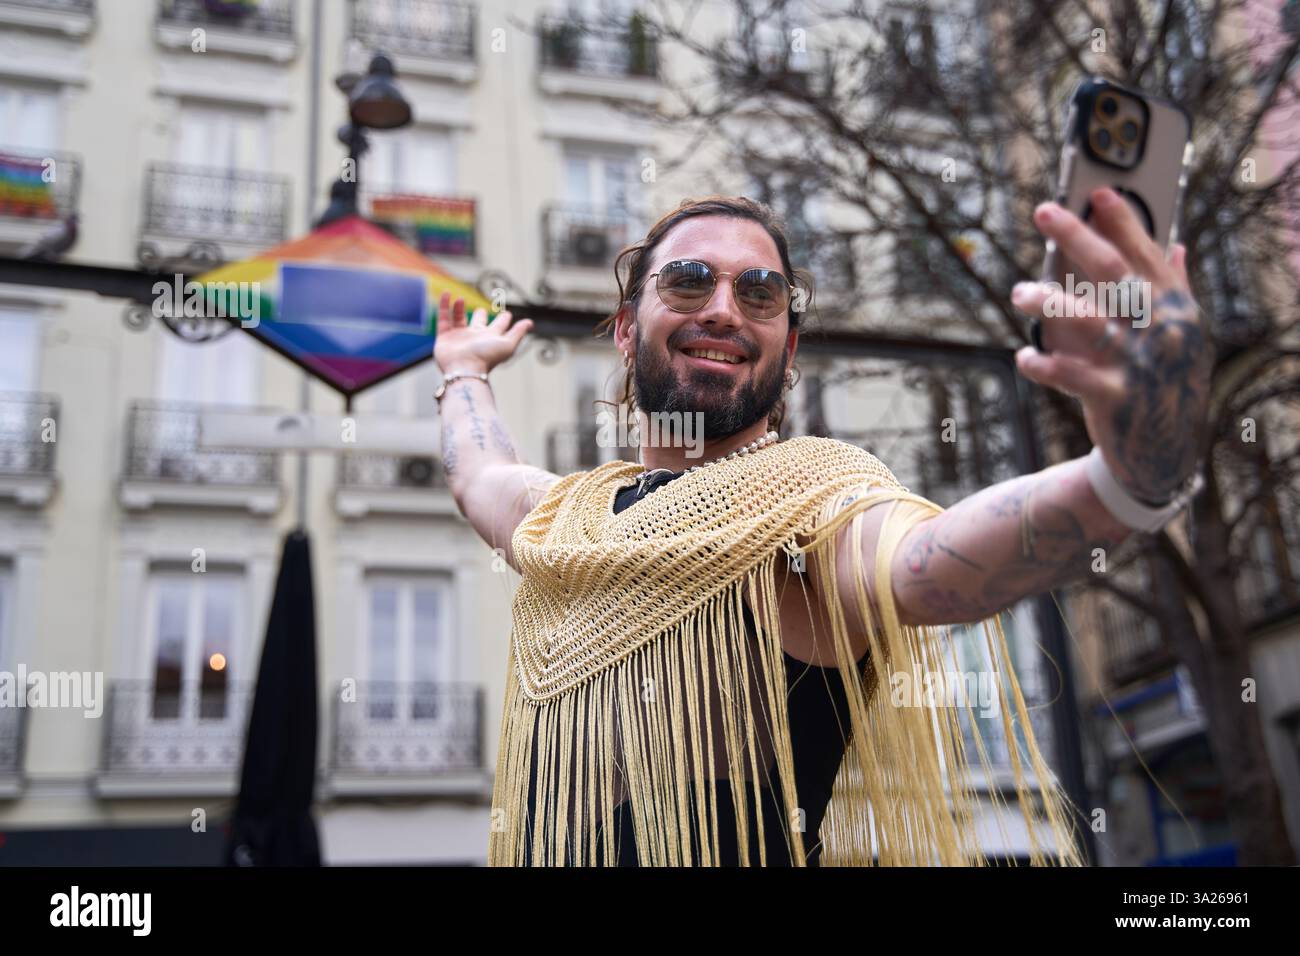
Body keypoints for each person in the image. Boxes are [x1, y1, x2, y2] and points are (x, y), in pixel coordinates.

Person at [432, 193, 1212, 866]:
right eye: (688, 280)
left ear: (788, 346)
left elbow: (925, 561)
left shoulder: (812, 501)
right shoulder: (570, 518)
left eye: (762, 292)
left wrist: (1128, 473)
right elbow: (480, 475)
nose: (724, 308)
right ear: (627, 331)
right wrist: (464, 370)